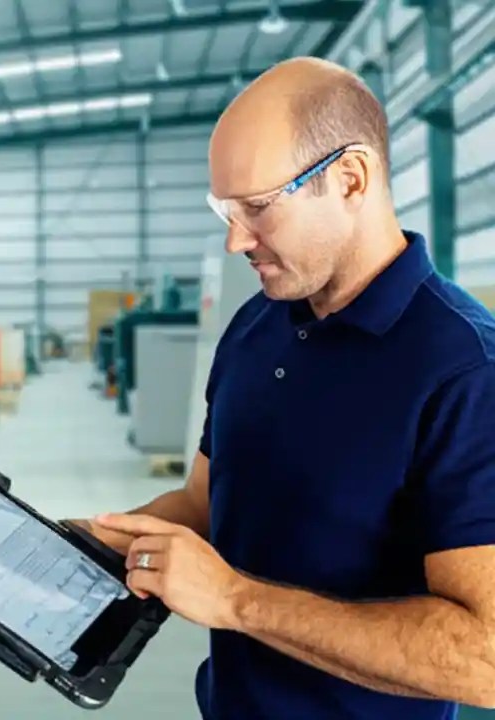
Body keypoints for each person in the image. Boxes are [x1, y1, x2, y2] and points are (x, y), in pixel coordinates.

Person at [66, 56, 495, 719]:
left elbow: (485, 658)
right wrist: (90, 543)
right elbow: (204, 503)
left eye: (259, 207)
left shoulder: (466, 370)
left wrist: (236, 601)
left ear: (351, 179)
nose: (237, 239)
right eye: (225, 209)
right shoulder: (257, 325)